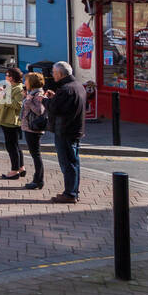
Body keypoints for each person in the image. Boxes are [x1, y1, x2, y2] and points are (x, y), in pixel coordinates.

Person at [48, 61, 86, 203]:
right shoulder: (78, 86)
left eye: (53, 72)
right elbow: (66, 106)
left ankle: (70, 194)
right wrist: (54, 98)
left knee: (67, 163)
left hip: (65, 130)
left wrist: (45, 100)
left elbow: (54, 109)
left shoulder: (65, 89)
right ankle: (73, 191)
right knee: (74, 162)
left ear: (60, 73)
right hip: (75, 129)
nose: (52, 75)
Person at [20, 71, 49, 190]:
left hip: (33, 128)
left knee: (36, 155)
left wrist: (28, 101)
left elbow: (39, 111)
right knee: (34, 154)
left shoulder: (38, 94)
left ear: (31, 82)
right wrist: (26, 97)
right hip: (28, 127)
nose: (24, 82)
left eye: (26, 80)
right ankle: (37, 179)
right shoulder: (32, 93)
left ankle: (38, 180)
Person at [0, 67, 26, 180]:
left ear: (12, 78)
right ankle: (21, 168)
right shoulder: (10, 86)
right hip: (5, 119)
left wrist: (2, 95)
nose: (5, 77)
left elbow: (17, 105)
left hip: (11, 121)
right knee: (15, 145)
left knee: (11, 146)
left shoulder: (19, 89)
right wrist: (1, 93)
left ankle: (14, 171)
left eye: (7, 75)